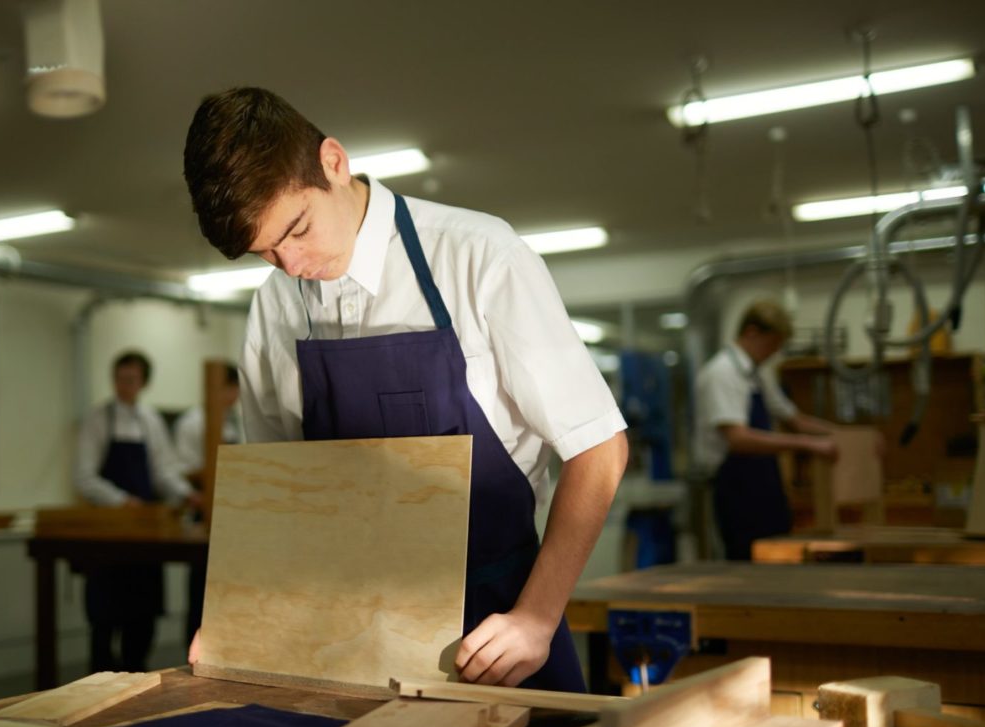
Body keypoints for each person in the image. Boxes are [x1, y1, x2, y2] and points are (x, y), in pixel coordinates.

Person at [181, 88, 629, 691]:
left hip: (492, 624)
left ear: (333, 163)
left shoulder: (478, 255)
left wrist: (536, 617)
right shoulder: (275, 305)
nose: (292, 265)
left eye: (298, 230)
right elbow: (281, 494)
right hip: (342, 634)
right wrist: (244, 619)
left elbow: (599, 448)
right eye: (266, 252)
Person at [74, 351, 197, 672]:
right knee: (104, 614)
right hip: (109, 532)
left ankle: (136, 674)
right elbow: (85, 477)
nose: (125, 385)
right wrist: (121, 501)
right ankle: (99, 678)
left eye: (132, 379)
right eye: (120, 378)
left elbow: (163, 471)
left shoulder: (150, 420)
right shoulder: (99, 418)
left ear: (144, 382)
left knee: (142, 614)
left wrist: (187, 494)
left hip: (145, 531)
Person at [694, 300, 839, 560]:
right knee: (747, 561)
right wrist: (806, 443)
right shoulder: (722, 373)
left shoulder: (759, 373)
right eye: (772, 344)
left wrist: (846, 436)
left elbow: (795, 419)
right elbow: (738, 438)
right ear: (752, 333)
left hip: (765, 481)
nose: (774, 352)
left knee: (780, 552)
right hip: (737, 488)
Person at [172, 365, 240, 639]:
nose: (235, 396)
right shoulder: (192, 422)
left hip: (234, 513)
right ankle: (193, 645)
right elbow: (182, 469)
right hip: (204, 509)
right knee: (201, 589)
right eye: (231, 389)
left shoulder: (234, 421)